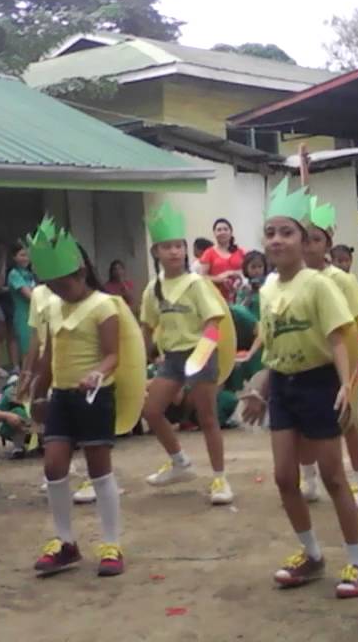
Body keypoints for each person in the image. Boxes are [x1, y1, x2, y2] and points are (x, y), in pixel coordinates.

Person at [239, 179, 358, 598]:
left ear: (304, 240)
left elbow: (338, 336)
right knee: (283, 477)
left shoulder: (319, 284)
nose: (277, 240)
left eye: (287, 232)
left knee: (334, 478)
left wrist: (347, 386)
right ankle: (312, 555)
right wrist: (260, 388)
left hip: (319, 383)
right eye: (271, 232)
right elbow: (274, 347)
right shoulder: (266, 289)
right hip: (284, 386)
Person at [27, 219, 137, 577]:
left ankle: (111, 544)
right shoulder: (54, 307)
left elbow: (112, 354)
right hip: (61, 396)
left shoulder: (105, 305)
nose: (59, 291)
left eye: (64, 283)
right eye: (52, 286)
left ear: (80, 271)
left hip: (95, 396)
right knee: (53, 466)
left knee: (98, 469)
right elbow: (49, 353)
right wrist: (37, 390)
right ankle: (65, 542)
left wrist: (97, 374)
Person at [138, 203, 234, 505]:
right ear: (157, 252)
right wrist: (139, 365)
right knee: (151, 410)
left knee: (207, 417)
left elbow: (214, 322)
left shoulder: (197, 284)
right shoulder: (153, 289)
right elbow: (147, 328)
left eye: (178, 246)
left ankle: (220, 479)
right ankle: (179, 462)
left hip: (201, 353)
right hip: (172, 359)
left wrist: (201, 355)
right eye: (167, 247)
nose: (175, 252)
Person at [299, 198, 358, 511]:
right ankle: (308, 479)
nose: (309, 247)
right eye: (304, 240)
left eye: (316, 240)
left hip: (341, 363)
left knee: (347, 421)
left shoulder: (341, 280)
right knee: (304, 422)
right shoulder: (296, 280)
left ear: (328, 243)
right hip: (308, 361)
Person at [200, 219, 245, 303]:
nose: (222, 232)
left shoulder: (241, 252)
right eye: (219, 230)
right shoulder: (208, 253)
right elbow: (202, 277)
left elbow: (247, 272)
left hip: (239, 298)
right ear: (214, 233)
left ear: (231, 232)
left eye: (225, 229)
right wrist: (220, 279)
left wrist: (232, 273)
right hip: (216, 298)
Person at [9, 243, 38, 361]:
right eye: (22, 255)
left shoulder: (32, 274)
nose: (26, 258)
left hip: (36, 313)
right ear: (14, 257)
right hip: (23, 315)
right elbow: (30, 296)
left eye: (27, 255)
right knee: (28, 350)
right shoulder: (14, 274)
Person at [235, 250, 267, 319]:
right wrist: (249, 295)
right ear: (246, 268)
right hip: (250, 324)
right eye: (253, 267)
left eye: (260, 266)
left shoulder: (269, 284)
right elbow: (239, 311)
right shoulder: (243, 287)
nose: (257, 270)